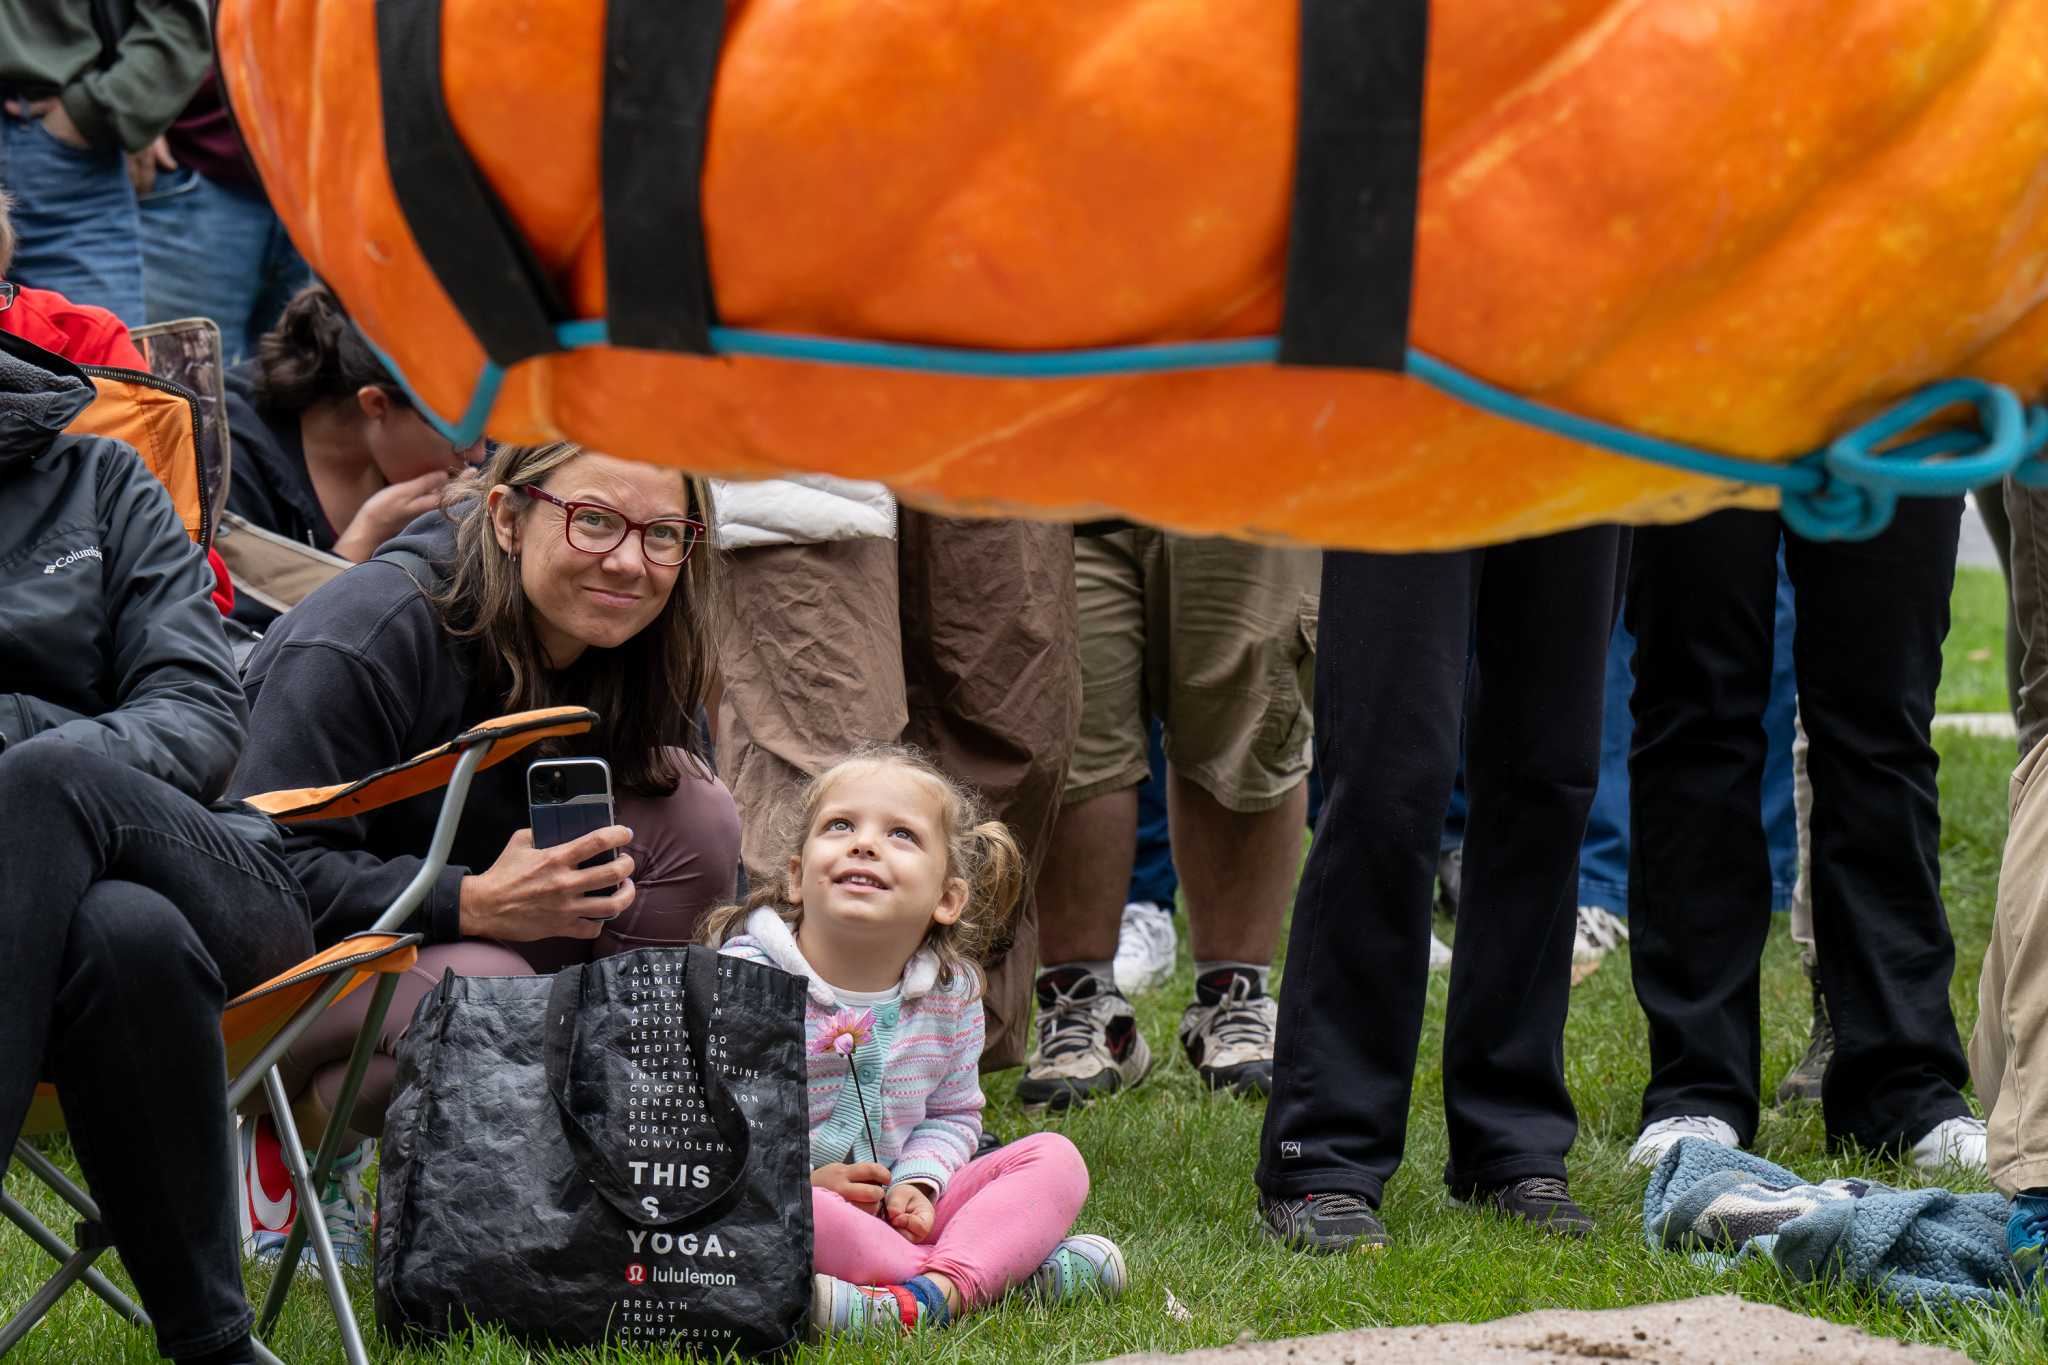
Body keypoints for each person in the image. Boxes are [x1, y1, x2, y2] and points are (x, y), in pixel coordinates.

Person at [227, 439, 740, 1261]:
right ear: (507, 517)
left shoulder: (645, 644)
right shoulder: (367, 631)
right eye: (594, 520)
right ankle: (296, 1138)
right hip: (285, 976)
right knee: (487, 994)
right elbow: (246, 874)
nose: (628, 562)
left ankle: (620, 1155)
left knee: (697, 810)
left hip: (478, 958)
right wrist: (468, 900)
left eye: (662, 534)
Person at [0, 325, 313, 1364]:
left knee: (42, 784)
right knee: (121, 935)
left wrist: (31, 753)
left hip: (202, 874)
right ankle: (214, 1344)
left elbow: (198, 710)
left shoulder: (99, 478)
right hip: (88, 952)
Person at [1257, 527, 1627, 1250]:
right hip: (1415, 455)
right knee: (1390, 768)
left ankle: (1512, 1138)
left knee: (1550, 767)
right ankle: (1325, 1147)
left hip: (1583, 457)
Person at [702, 747, 1126, 1337]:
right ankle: (996, 1276)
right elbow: (718, 1125)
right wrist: (802, 1179)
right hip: (793, 1202)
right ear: (796, 878)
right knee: (800, 1213)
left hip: (906, 1212)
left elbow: (952, 1115)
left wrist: (918, 1183)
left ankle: (912, 1298)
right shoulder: (746, 979)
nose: (864, 844)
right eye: (840, 826)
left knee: (1054, 1158)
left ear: (947, 900)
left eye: (901, 834)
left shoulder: (952, 993)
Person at [1624, 504, 1983, 1175]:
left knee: (1883, 720)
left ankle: (1903, 1088)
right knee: (1693, 705)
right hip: (1704, 433)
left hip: (1882, 433)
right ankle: (1695, 1086)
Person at [711, 473, 1079, 1072]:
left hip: (991, 424)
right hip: (804, 435)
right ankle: (796, 1070)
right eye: (846, 834)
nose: (864, 847)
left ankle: (936, 1060)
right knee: (827, 757)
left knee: (1011, 729)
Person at [1018, 529, 1319, 1109]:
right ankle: (1079, 1004)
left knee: (1250, 714)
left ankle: (1234, 1000)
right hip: (1064, 484)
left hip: (1245, 484)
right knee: (1069, 720)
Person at [223, 283, 468, 570]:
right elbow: (235, 598)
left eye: (485, 433)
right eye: (461, 438)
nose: (477, 456)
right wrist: (366, 536)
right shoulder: (228, 460)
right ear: (377, 404)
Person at [0, 0, 211, 325]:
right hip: (64, 149)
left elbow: (177, 18)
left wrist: (102, 109)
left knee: (103, 350)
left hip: (64, 163)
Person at [139, 70, 313, 363]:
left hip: (329, 188)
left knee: (314, 378)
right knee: (181, 379)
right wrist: (131, 109)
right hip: (196, 167)